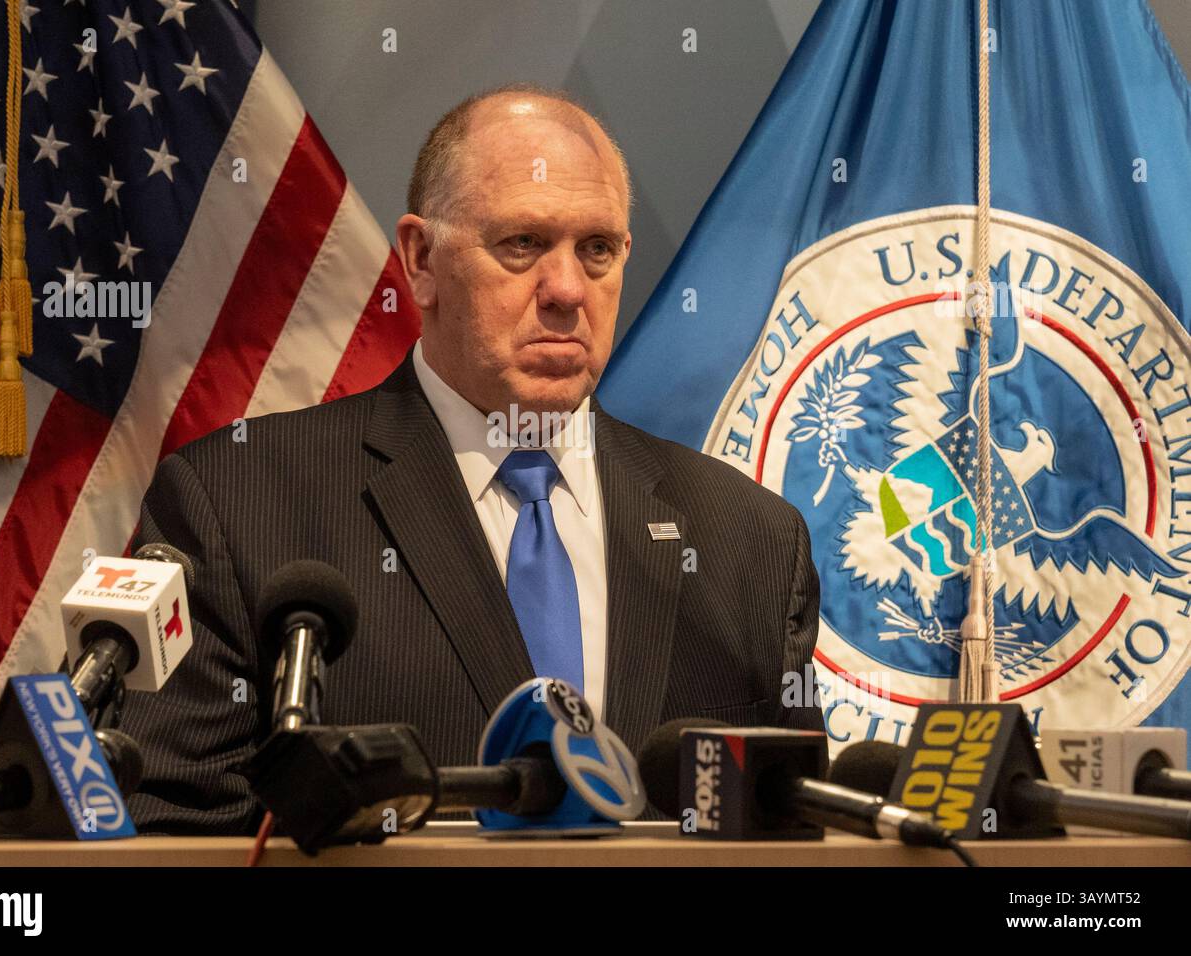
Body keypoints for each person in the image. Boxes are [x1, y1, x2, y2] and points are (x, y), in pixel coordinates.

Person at [119, 84, 822, 834]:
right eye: (522, 245)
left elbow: (792, 828)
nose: (566, 290)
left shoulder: (750, 541)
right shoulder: (236, 501)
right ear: (420, 261)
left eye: (598, 250)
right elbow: (173, 825)